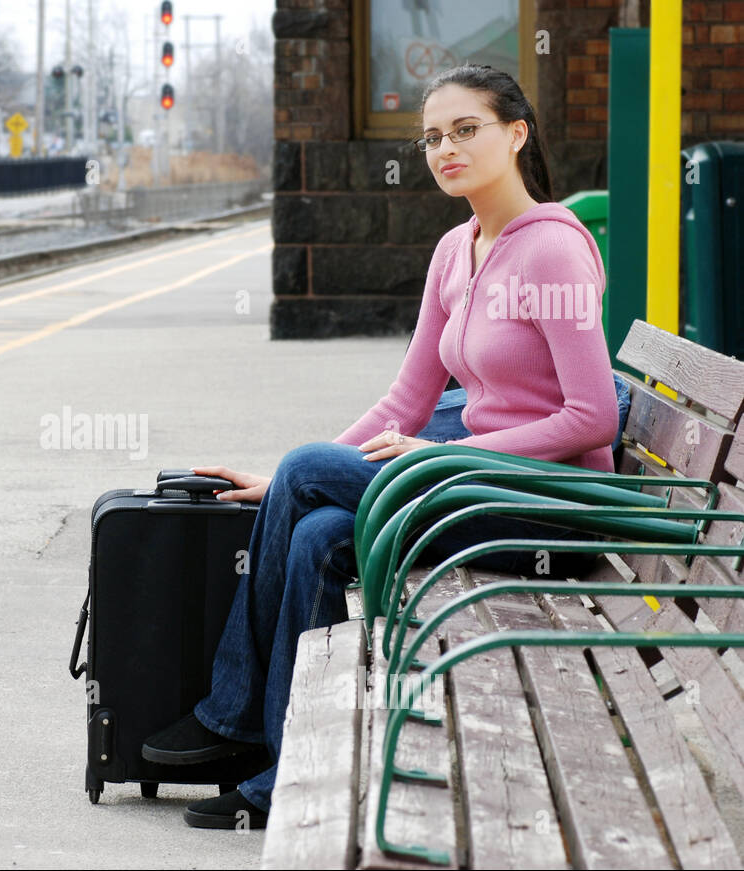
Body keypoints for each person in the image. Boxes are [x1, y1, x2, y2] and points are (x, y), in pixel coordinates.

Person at [141, 64, 621, 830]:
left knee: (305, 475)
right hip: (470, 492)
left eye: (467, 130)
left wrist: (441, 458)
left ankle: (227, 719)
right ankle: (281, 766)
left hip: (548, 507)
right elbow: (406, 401)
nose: (446, 149)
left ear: (517, 134)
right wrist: (289, 483)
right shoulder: (455, 251)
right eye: (433, 137)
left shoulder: (554, 251)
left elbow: (594, 417)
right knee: (319, 535)